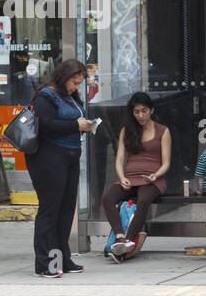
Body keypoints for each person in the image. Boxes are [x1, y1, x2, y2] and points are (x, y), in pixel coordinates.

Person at [27, 58, 95, 278]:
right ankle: (44, 262)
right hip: (49, 158)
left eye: (79, 83)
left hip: (71, 156)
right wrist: (76, 125)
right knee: (50, 209)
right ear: (64, 77)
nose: (77, 87)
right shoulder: (46, 96)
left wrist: (85, 125)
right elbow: (45, 125)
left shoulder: (69, 96)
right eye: (74, 82)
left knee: (66, 210)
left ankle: (62, 258)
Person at [102, 92, 173, 256]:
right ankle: (120, 238)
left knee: (144, 200)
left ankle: (128, 240)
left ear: (151, 110)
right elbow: (119, 160)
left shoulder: (163, 131)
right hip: (130, 178)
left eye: (144, 111)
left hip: (152, 178)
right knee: (108, 198)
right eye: (136, 112)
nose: (140, 115)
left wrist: (156, 175)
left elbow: (166, 162)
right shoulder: (126, 131)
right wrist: (122, 177)